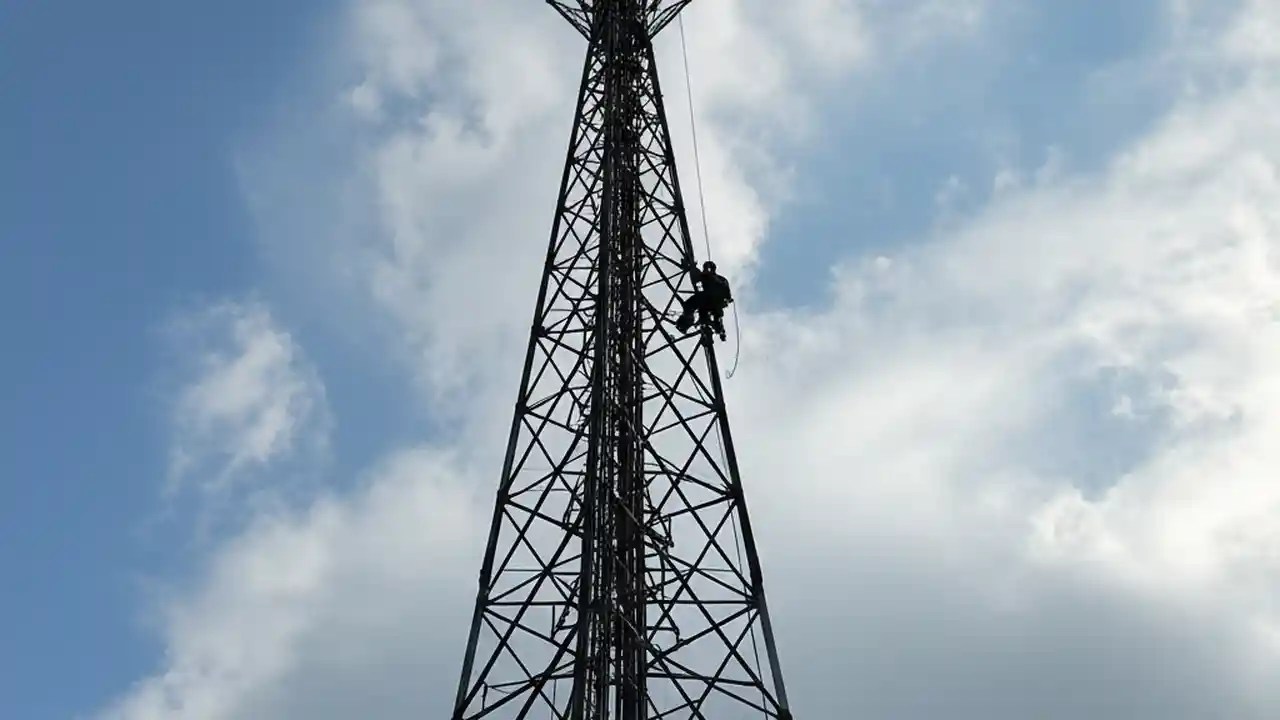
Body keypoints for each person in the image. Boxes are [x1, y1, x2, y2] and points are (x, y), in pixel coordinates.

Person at [675, 260, 733, 340]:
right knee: (706, 313)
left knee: (692, 306)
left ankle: (686, 323)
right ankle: (713, 326)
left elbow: (697, 278)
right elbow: (728, 297)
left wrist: (691, 267)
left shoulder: (715, 278)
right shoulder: (721, 279)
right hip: (712, 303)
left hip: (709, 301)